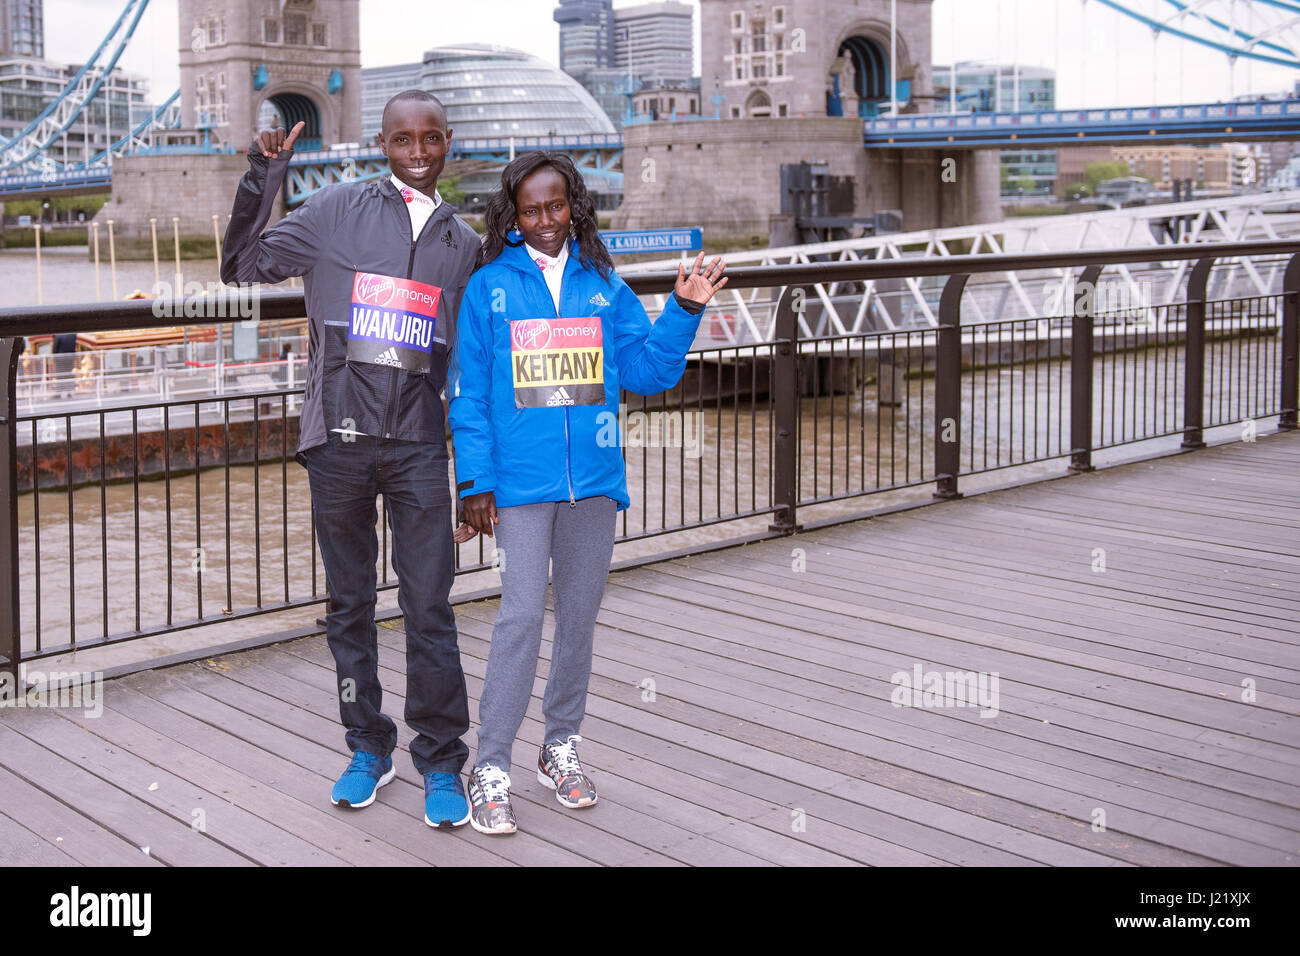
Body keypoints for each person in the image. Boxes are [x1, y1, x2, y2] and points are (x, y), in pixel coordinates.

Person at [220, 91, 479, 828]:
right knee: (350, 605)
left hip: (421, 445)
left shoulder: (464, 245)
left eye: (430, 138)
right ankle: (368, 745)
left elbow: (479, 351)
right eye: (403, 139)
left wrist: (477, 473)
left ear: (447, 142)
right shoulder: (334, 211)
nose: (418, 151)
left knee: (429, 604)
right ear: (383, 143)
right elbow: (241, 267)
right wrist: (261, 176)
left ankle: (441, 758)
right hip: (340, 441)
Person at [448, 152, 727, 835]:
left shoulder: (603, 284)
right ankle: (489, 766)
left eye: (555, 206)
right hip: (517, 487)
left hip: (594, 486)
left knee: (578, 619)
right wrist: (474, 481)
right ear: (512, 216)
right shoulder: (488, 289)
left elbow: (649, 371)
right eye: (530, 210)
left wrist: (684, 311)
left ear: (574, 205)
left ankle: (559, 746)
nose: (545, 222)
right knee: (518, 620)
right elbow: (469, 396)